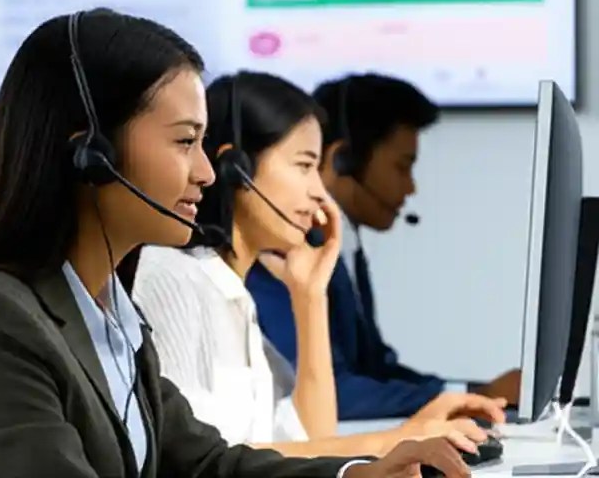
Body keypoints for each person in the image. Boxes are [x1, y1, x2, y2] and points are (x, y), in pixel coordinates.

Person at [0, 9, 473, 478]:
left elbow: (205, 463)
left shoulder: (112, 313)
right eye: (185, 142)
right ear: (91, 154)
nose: (208, 173)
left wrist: (356, 475)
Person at [125, 71, 502, 459]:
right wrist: (396, 439)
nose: (320, 194)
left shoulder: (232, 295)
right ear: (236, 169)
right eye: (304, 166)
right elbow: (202, 463)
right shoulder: (172, 277)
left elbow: (310, 438)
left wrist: (310, 298)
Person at [247, 73, 520, 420]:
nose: (410, 188)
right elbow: (335, 391)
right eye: (402, 167)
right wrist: (469, 396)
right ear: (344, 160)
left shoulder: (346, 246)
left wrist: (470, 395)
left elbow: (375, 368)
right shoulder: (288, 250)